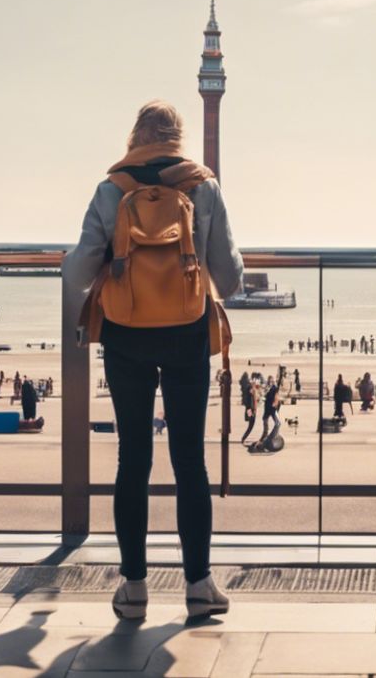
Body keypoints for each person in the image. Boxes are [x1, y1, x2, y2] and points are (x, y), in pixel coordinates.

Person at [65, 100, 242, 621]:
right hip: (187, 332)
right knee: (190, 459)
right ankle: (199, 584)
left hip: (125, 333)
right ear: (178, 138)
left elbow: (77, 273)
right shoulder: (202, 187)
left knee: (132, 459)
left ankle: (134, 588)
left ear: (135, 136)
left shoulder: (111, 189)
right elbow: (228, 278)